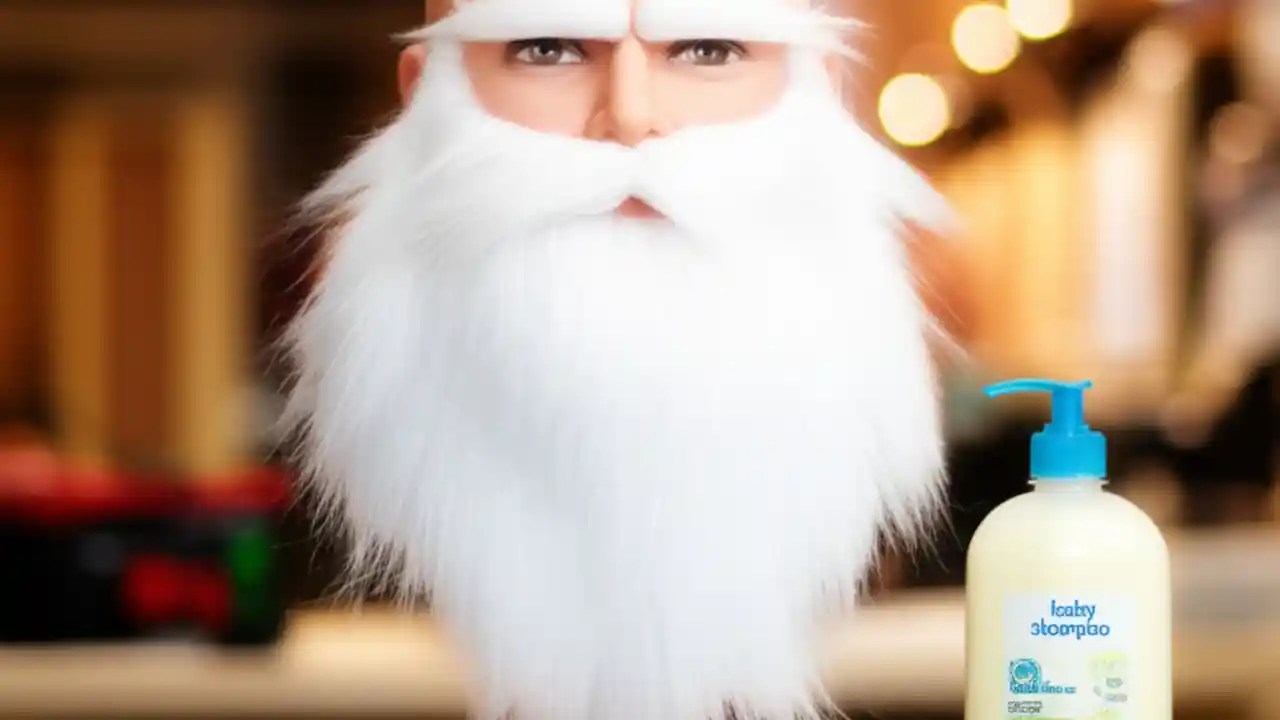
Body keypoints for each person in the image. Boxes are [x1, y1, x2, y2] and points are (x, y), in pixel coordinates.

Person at [284, 1, 949, 718]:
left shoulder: (889, 482)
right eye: (548, 48)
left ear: (817, 85)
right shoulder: (347, 497)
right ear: (425, 90)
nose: (631, 116)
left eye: (709, 50)